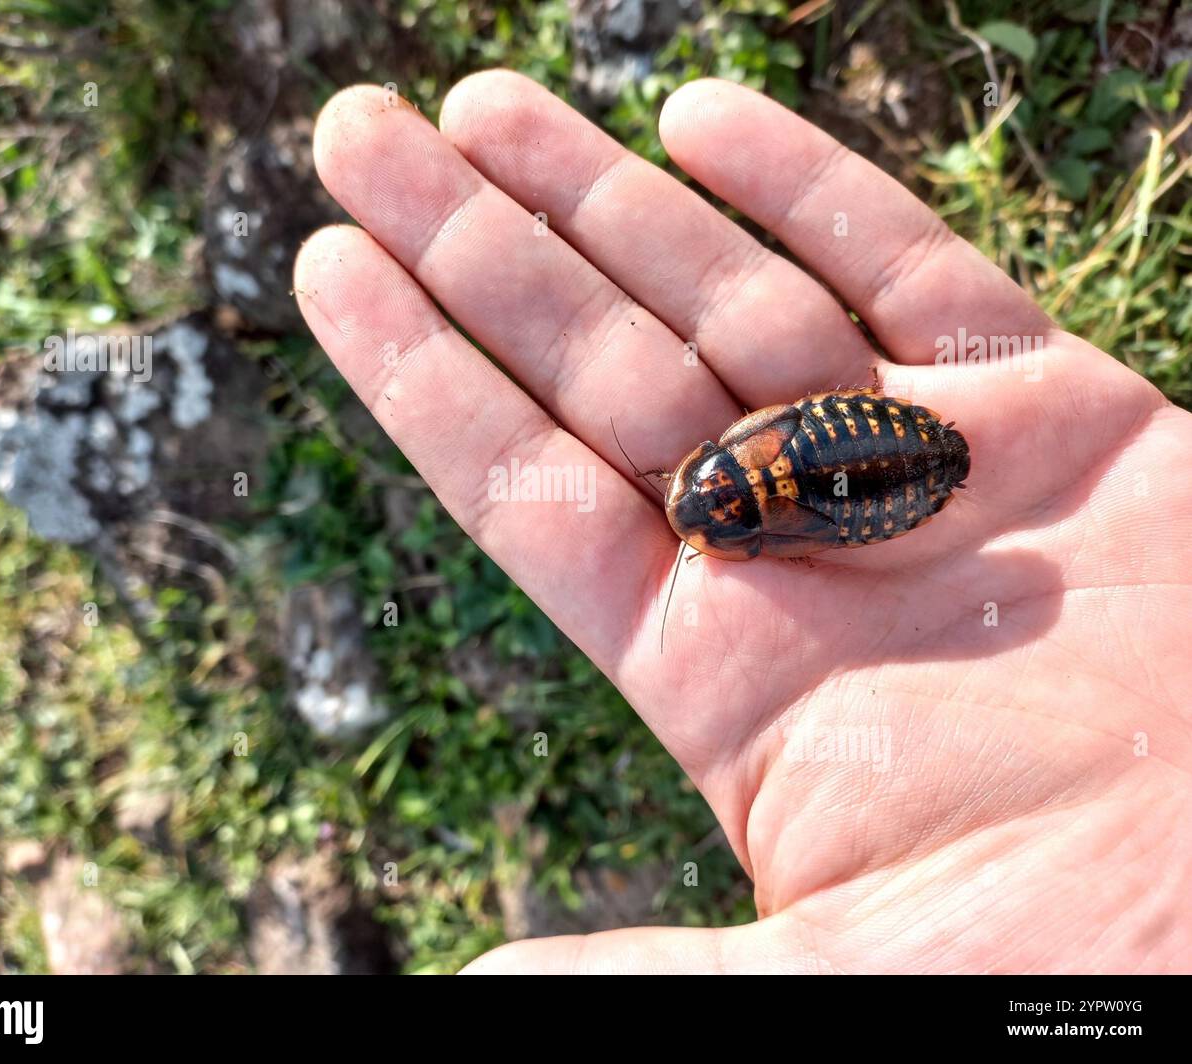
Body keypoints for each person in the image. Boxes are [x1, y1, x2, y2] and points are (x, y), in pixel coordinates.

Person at [293, 72, 1192, 974]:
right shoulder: (743, 464)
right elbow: (798, 437)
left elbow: (815, 510)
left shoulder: (764, 524)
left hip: (860, 481)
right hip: (849, 451)